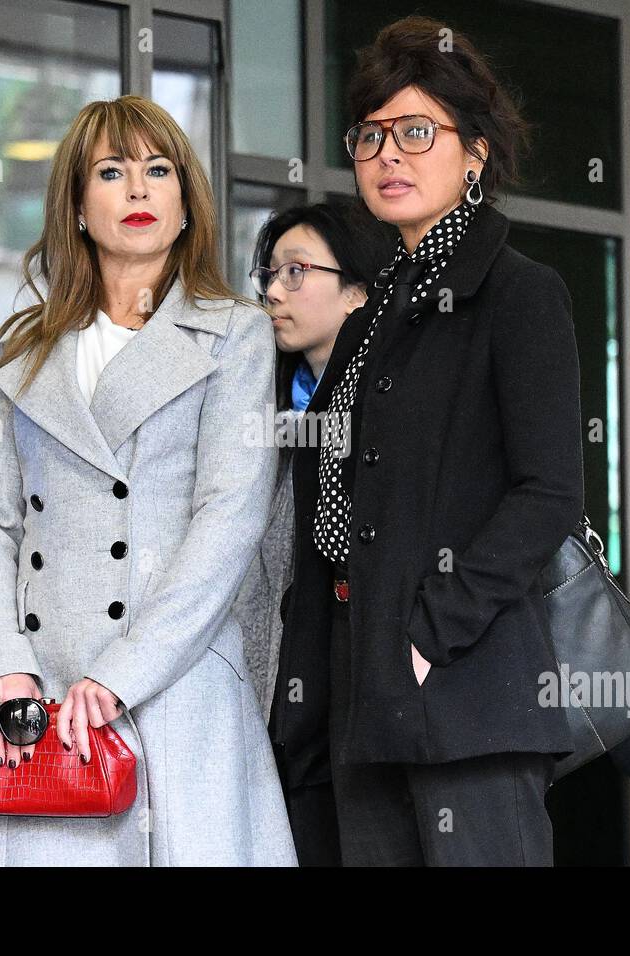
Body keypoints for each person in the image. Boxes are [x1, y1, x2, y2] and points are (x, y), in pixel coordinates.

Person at [269, 16, 585, 866]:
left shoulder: (517, 295)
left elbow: (549, 494)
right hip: (356, 692)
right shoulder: (373, 317)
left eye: (417, 132)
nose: (388, 156)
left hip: (463, 692)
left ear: (473, 153)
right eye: (370, 136)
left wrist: (427, 636)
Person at [0, 94, 297, 866]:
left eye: (157, 170)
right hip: (41, 710)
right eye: (111, 172)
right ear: (78, 207)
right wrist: (4, 664)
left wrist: (119, 675)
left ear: (185, 205)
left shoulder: (233, 332)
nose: (138, 189)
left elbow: (230, 517)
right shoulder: (25, 354)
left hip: (174, 685)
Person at [232, 202, 394, 866]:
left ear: (358, 290)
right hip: (274, 713)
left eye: (297, 273)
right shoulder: (260, 410)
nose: (273, 291)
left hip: (365, 708)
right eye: (268, 274)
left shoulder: (387, 409)